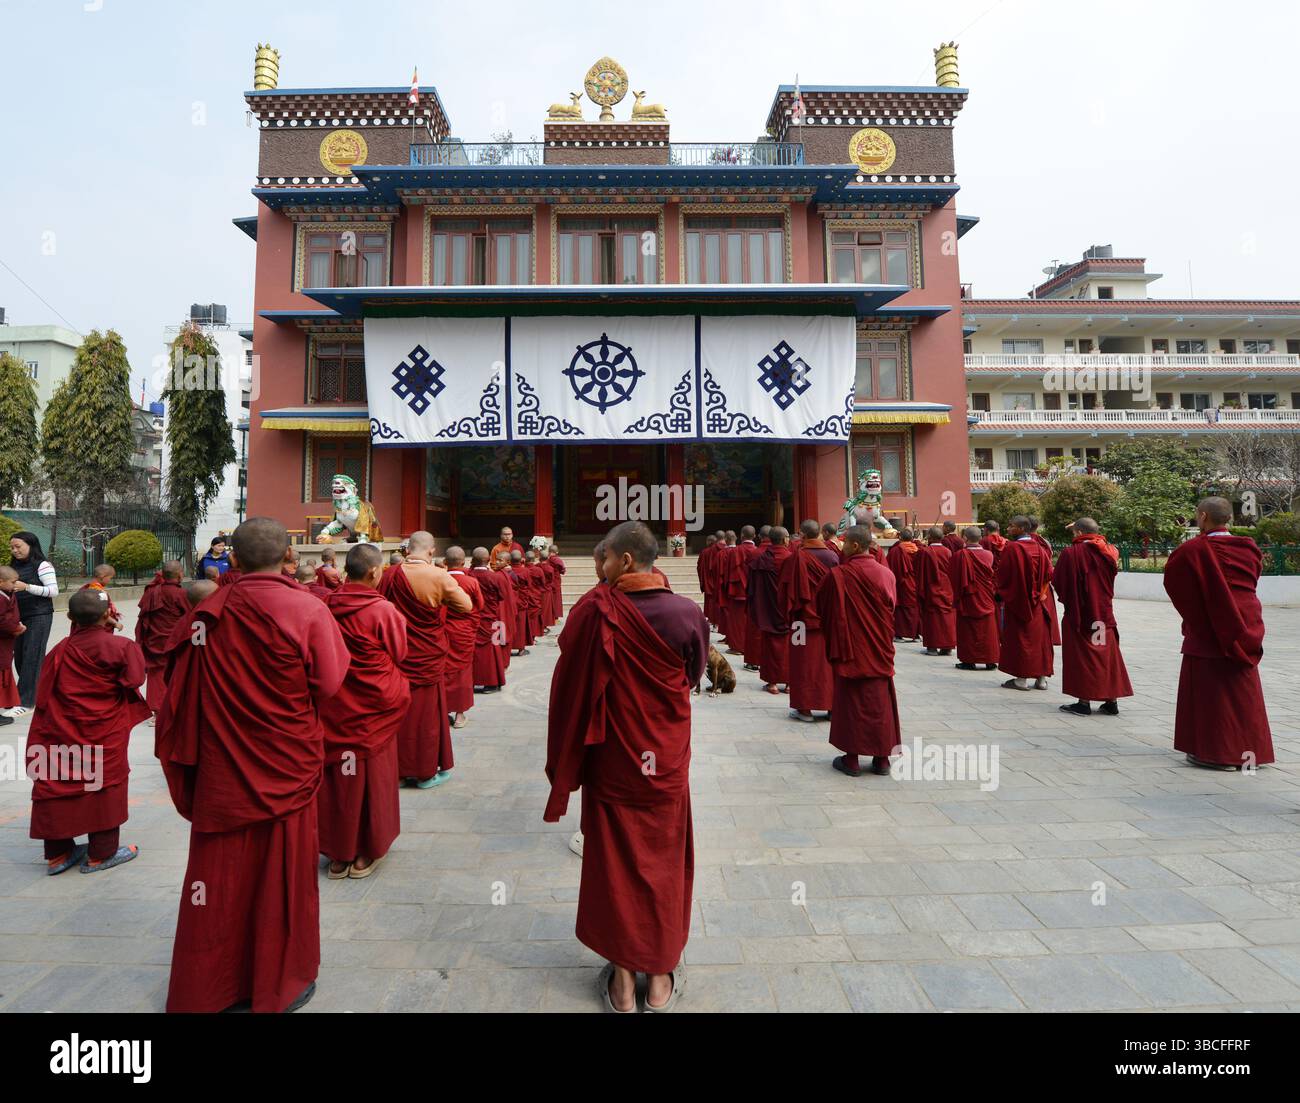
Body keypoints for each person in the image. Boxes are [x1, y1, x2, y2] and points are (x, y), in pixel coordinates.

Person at [156, 517, 350, 1013]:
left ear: (233, 560)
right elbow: (328, 684)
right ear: (290, 557)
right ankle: (277, 981)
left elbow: (175, 692)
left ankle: (209, 987)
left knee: (218, 877)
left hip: (224, 766)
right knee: (280, 873)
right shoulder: (307, 609)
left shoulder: (207, 614)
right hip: (284, 758)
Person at [545, 521, 707, 1013]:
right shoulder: (684, 613)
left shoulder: (593, 612)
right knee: (662, 864)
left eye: (606, 560)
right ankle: (659, 979)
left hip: (613, 761)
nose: (601, 568)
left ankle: (622, 981)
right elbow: (693, 674)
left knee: (614, 865)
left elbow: (570, 670)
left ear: (627, 561)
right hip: (664, 762)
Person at [27, 589, 150, 874]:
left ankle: (58, 854)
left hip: (60, 728)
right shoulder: (122, 647)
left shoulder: (60, 649)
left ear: (70, 617)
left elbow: (43, 693)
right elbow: (134, 679)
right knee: (104, 785)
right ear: (108, 615)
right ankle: (101, 854)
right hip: (102, 729)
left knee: (56, 781)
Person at [318, 544, 409, 879]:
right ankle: (365, 853)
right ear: (373, 572)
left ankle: (338, 854)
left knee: (340, 778)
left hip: (336, 706)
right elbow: (400, 653)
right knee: (371, 776)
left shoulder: (325, 605)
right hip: (372, 709)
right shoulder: (383, 612)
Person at [1164, 497, 1273, 770]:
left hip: (1209, 633)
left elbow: (1175, 584)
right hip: (1247, 627)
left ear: (1202, 517)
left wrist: (1198, 618)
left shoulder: (1192, 551)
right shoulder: (1249, 548)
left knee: (1212, 696)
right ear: (1230, 519)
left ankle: (1217, 755)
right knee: (1244, 694)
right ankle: (1251, 755)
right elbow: (1251, 580)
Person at [380, 531, 472, 789]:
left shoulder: (389, 575)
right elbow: (466, 606)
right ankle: (424, 772)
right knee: (427, 716)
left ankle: (397, 771)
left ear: (408, 549)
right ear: (432, 551)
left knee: (398, 711)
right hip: (427, 655)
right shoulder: (438, 576)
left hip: (399, 654)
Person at [815, 526, 900, 778]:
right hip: (878, 648)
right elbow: (891, 607)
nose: (841, 547)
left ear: (853, 546)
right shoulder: (886, 574)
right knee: (880, 702)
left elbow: (823, 608)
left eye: (845, 544)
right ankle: (882, 759)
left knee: (851, 702)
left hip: (851, 648)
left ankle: (851, 760)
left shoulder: (838, 576)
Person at [1052, 517, 1132, 716]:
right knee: (1104, 653)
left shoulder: (1071, 554)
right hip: (1102, 614)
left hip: (1081, 615)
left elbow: (1059, 582)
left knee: (1084, 656)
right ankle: (1111, 701)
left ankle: (1084, 702)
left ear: (1079, 533)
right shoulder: (1109, 551)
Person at [778, 519, 839, 722]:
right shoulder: (832, 556)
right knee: (829, 663)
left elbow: (787, 592)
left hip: (800, 622)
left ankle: (805, 709)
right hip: (828, 621)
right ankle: (831, 706)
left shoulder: (797, 557)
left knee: (801, 661)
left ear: (802, 535)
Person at [996, 515, 1054, 691]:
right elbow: (1049, 574)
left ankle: (1021, 679)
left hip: (1019, 603)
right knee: (1040, 640)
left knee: (1022, 640)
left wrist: (1000, 593)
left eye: (1011, 526)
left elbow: (1004, 576)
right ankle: (1042, 679)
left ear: (1021, 529)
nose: (1008, 529)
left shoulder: (1013, 548)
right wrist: (1040, 593)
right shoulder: (1040, 548)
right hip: (1039, 603)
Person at [8, 531, 58, 716]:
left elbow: (53, 591)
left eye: (18, 546)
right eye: (12, 547)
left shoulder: (43, 565)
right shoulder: (13, 566)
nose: (14, 550)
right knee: (21, 658)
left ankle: (26, 702)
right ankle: (41, 693)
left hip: (39, 616)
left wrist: (27, 586)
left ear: (31, 545)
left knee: (32, 657)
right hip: (18, 618)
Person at [135, 560, 189, 719]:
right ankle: (174, 708)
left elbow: (143, 614)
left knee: (156, 673)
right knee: (176, 672)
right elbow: (189, 614)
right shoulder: (180, 594)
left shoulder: (152, 592)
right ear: (180, 574)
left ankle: (157, 711)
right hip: (174, 640)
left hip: (154, 638)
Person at [441, 546, 483, 729]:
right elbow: (479, 605)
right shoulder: (471, 582)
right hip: (464, 631)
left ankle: (442, 711)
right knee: (462, 673)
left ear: (444, 562)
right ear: (464, 562)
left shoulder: (439, 580)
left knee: (443, 670)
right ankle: (459, 716)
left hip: (443, 631)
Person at [748, 526, 792, 694]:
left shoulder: (761, 559)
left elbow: (753, 588)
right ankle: (789, 683)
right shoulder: (793, 558)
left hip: (768, 610)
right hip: (788, 611)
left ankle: (772, 683)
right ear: (784, 539)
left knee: (770, 646)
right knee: (789, 647)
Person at [948, 527, 999, 671]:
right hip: (986, 596)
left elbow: (953, 577)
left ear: (965, 538)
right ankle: (990, 660)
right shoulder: (989, 554)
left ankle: (969, 661)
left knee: (968, 629)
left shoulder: (959, 556)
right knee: (988, 629)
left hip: (968, 597)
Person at [469, 548, 509, 692]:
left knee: (473, 650)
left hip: (472, 620)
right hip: (491, 620)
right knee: (492, 648)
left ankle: (472, 681)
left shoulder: (469, 575)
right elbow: (502, 596)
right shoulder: (495, 577)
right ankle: (491, 682)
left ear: (472, 560)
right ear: (488, 560)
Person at [915, 526, 957, 657]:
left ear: (931, 538)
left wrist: (921, 589)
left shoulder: (926, 552)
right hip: (947, 588)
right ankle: (947, 647)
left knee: (932, 619)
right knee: (947, 618)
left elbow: (921, 572)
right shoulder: (948, 552)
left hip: (931, 588)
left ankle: (932, 648)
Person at [723, 525, 761, 669]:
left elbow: (727, 572)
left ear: (741, 536)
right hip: (753, 592)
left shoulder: (735, 551)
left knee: (737, 620)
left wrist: (726, 588)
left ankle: (737, 646)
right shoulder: (758, 552)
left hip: (737, 590)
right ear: (755, 536)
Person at [1027, 516, 1062, 647]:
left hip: (1029, 586)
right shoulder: (1045, 542)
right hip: (1044, 585)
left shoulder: (1023, 543)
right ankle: (1050, 637)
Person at [885, 528, 921, 641]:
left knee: (900, 610)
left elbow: (890, 568)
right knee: (914, 609)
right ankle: (915, 634)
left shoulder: (896, 551)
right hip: (915, 583)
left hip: (901, 584)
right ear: (911, 539)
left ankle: (899, 634)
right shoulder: (919, 550)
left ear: (900, 538)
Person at [0, 567, 25, 724]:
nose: (16, 585)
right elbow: (1, 620)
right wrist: (15, 628)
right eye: (13, 582)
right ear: (1, 582)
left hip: (6, 642)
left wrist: (18, 624)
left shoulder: (8, 594)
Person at [80, 565, 124, 632]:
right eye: (110, 578)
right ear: (102, 576)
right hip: (98, 628)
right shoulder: (99, 593)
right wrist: (115, 623)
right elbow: (101, 613)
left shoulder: (88, 587)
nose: (110, 580)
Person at [549, 544, 567, 623]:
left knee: (550, 598)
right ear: (557, 552)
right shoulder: (558, 560)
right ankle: (556, 617)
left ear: (549, 551)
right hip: (556, 581)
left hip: (549, 581)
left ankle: (550, 616)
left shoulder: (547, 559)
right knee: (556, 598)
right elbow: (562, 570)